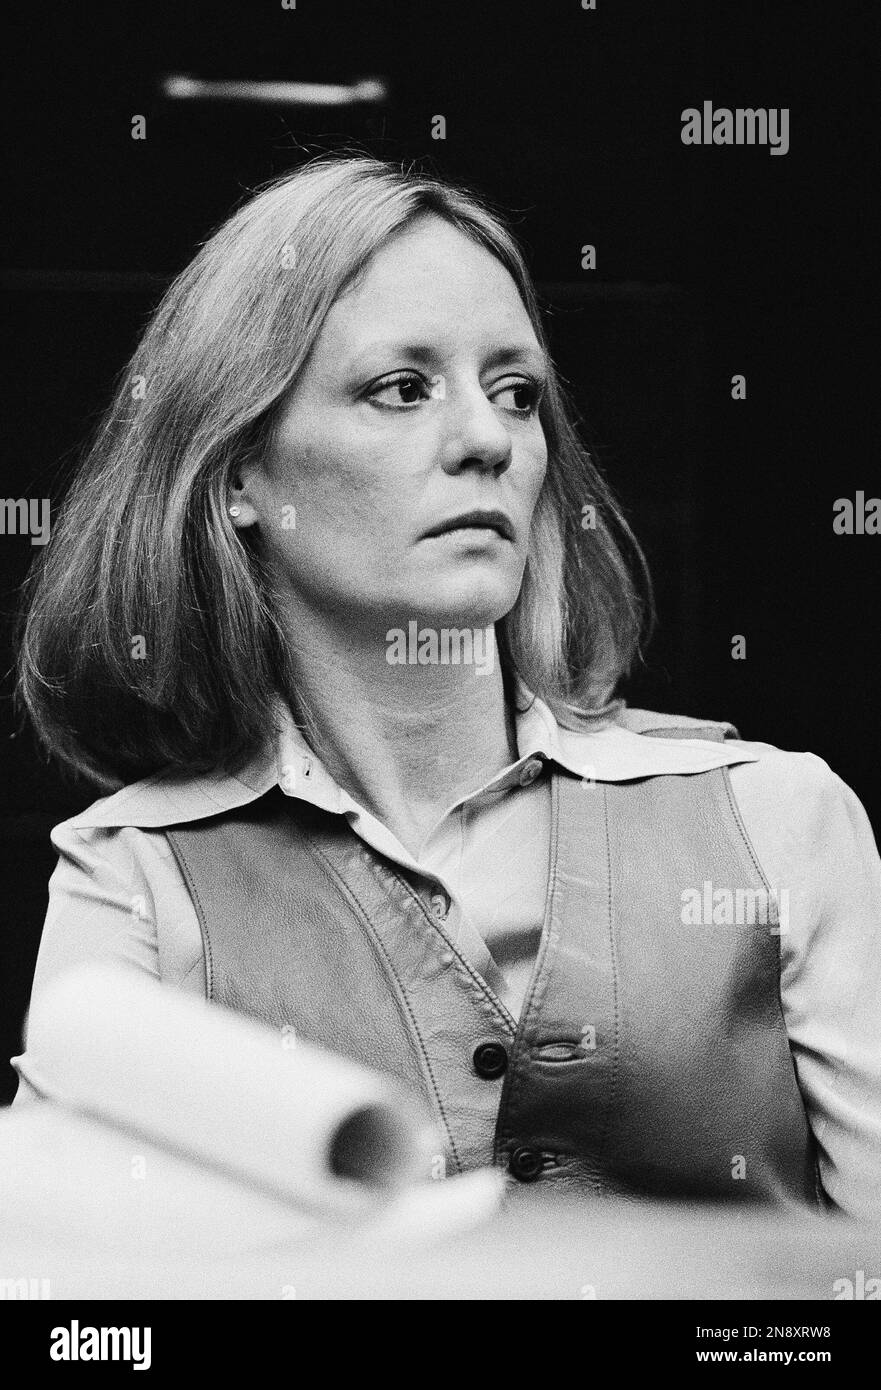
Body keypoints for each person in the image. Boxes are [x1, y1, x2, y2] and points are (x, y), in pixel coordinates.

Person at [11, 155, 881, 1218]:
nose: (485, 440)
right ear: (239, 471)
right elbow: (81, 1297)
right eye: (400, 388)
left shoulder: (777, 817)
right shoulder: (135, 879)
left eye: (515, 393)